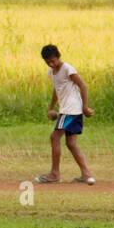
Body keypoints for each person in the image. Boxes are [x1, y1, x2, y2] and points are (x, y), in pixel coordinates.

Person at [35, 44, 95, 185]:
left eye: (53, 60)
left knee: (54, 137)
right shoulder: (52, 72)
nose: (51, 64)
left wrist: (85, 107)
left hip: (71, 110)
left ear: (58, 56)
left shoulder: (67, 69)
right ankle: (86, 175)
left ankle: (55, 174)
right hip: (67, 110)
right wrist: (51, 108)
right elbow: (57, 90)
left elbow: (83, 86)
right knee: (71, 143)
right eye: (48, 62)